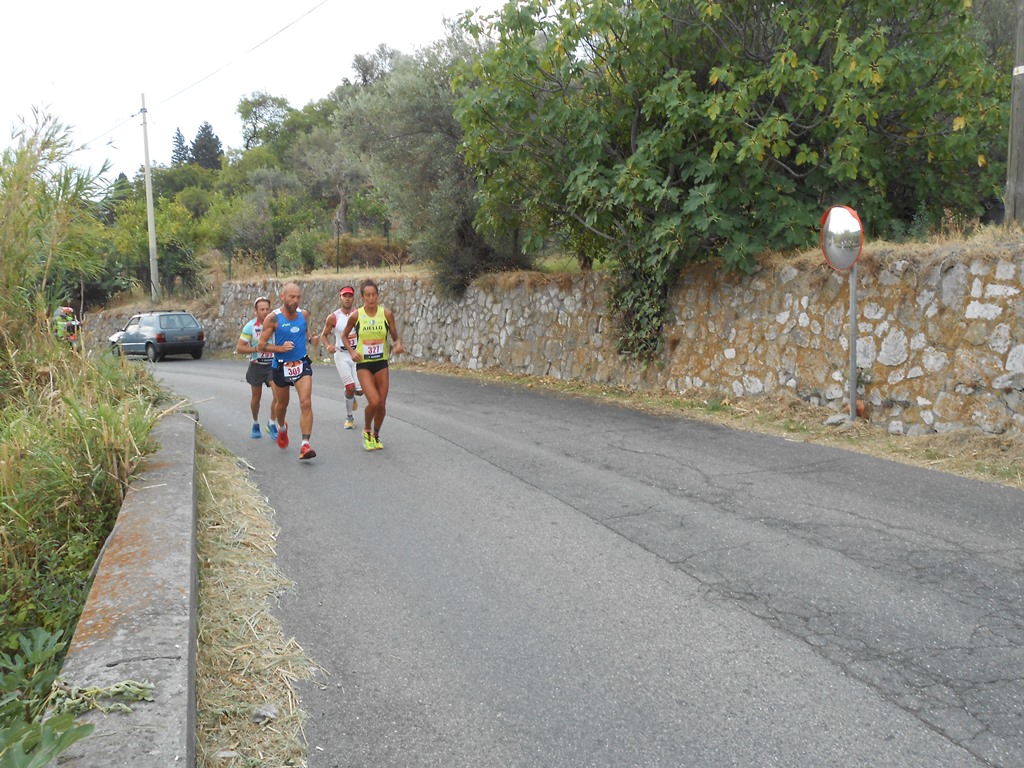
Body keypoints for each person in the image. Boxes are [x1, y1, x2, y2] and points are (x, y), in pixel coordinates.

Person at [257, 283, 318, 461]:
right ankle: (282, 428)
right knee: (281, 405)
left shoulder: (303, 315)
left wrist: (312, 339)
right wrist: (280, 348)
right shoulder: (273, 318)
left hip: (301, 363)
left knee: (306, 402)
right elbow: (261, 345)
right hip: (281, 366)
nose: (295, 300)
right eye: (291, 297)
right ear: (282, 297)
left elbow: (306, 332)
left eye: (298, 297)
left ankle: (305, 444)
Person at [340, 279, 404, 451]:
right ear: (362, 297)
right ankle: (367, 429)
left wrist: (397, 343)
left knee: (382, 404)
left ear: (377, 295)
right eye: (367, 295)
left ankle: (376, 435)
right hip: (364, 364)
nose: (371, 298)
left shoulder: (386, 314)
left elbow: (394, 334)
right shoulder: (357, 315)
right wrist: (352, 352)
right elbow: (344, 336)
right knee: (374, 401)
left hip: (381, 363)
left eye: (373, 295)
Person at [235, 296, 280, 440]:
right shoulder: (250, 327)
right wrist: (257, 349)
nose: (265, 312)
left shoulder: (275, 325)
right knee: (256, 398)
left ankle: (271, 423)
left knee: (278, 395)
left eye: (267, 309)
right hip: (256, 366)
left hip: (272, 365)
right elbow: (240, 348)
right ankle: (255, 423)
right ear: (256, 311)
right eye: (262, 309)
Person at [320, 285, 364, 430]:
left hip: (356, 354)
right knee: (350, 387)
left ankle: (350, 396)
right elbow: (324, 335)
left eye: (350, 296)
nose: (347, 298)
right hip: (341, 354)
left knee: (360, 391)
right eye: (344, 296)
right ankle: (349, 417)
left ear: (353, 298)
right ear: (340, 297)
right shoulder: (333, 317)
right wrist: (328, 346)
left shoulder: (359, 314)